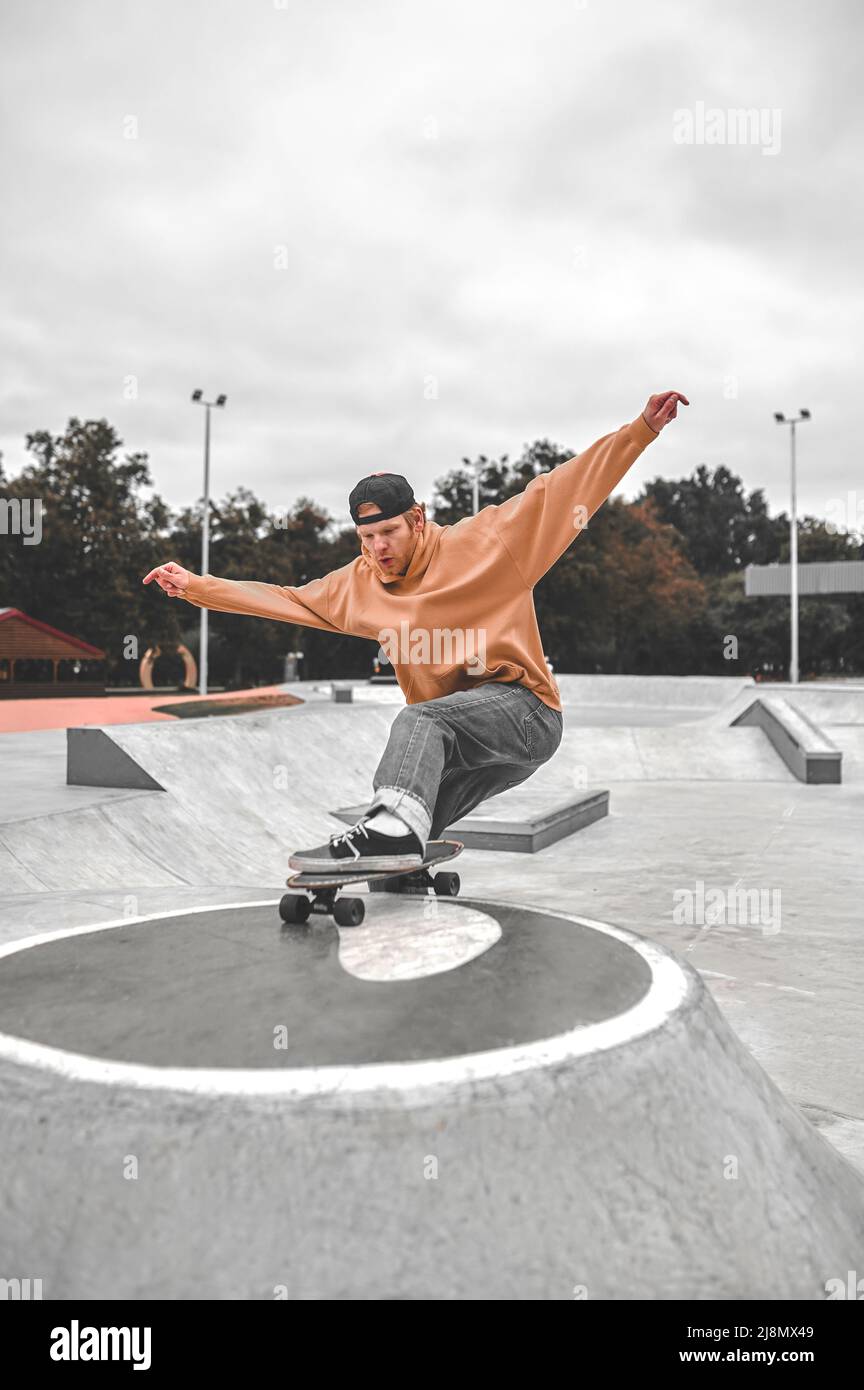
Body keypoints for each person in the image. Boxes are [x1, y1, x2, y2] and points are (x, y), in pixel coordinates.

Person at [143, 390, 688, 872]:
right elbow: (285, 600)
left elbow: (566, 490)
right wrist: (197, 586)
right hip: (465, 740)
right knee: (413, 807)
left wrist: (641, 430)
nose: (378, 549)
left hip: (526, 715)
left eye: (388, 533)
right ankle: (398, 855)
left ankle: (393, 835)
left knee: (419, 722)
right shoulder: (357, 585)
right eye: (366, 536)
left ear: (418, 520)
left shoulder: (489, 542)